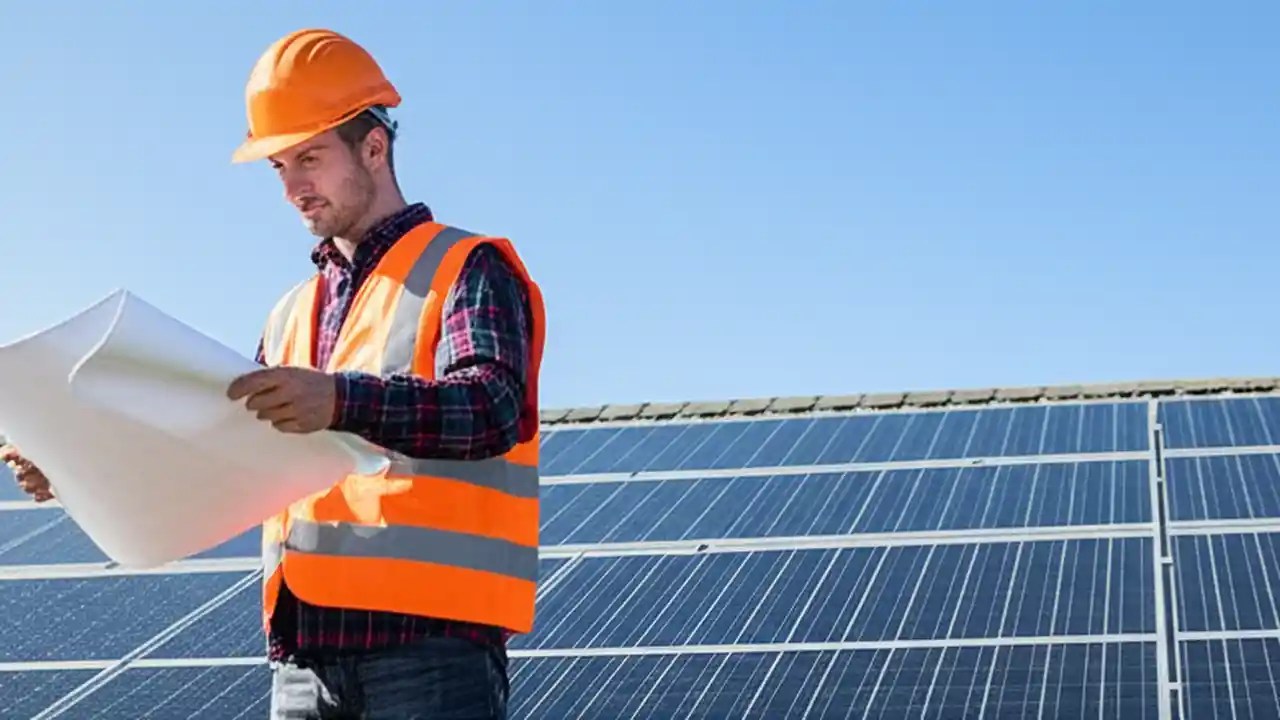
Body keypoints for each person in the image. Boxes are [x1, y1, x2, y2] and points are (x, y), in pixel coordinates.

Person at [6, 27, 546, 719]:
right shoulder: (292, 313)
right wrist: (77, 469)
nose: (293, 187)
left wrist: (338, 400)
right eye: (278, 168)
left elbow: (492, 406)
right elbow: (232, 464)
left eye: (309, 158)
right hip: (303, 656)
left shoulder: (466, 267)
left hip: (428, 649)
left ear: (374, 147)